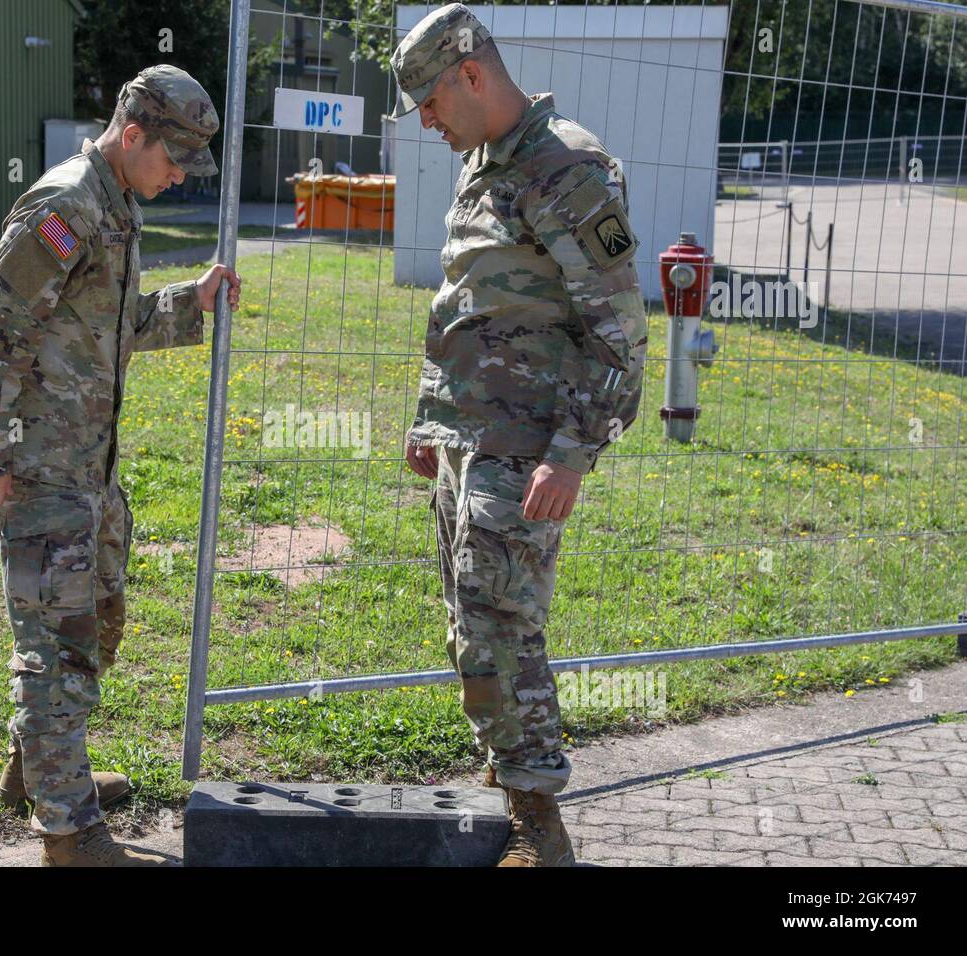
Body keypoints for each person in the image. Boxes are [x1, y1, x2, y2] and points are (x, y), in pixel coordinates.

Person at [0, 65, 241, 867]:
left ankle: (37, 770)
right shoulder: (67, 205)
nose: (180, 175)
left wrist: (195, 303)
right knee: (59, 648)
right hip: (42, 472)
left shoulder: (115, 207)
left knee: (99, 621)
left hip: (89, 473)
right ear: (134, 132)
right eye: (174, 158)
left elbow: (109, 326)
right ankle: (69, 835)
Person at [391, 4, 647, 866]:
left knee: (503, 624)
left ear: (470, 73)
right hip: (468, 439)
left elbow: (618, 331)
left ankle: (541, 820)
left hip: (527, 448)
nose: (424, 120)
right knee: (471, 622)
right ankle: (507, 782)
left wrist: (572, 452)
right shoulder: (481, 162)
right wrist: (432, 411)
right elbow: (462, 301)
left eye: (427, 100)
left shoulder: (565, 166)